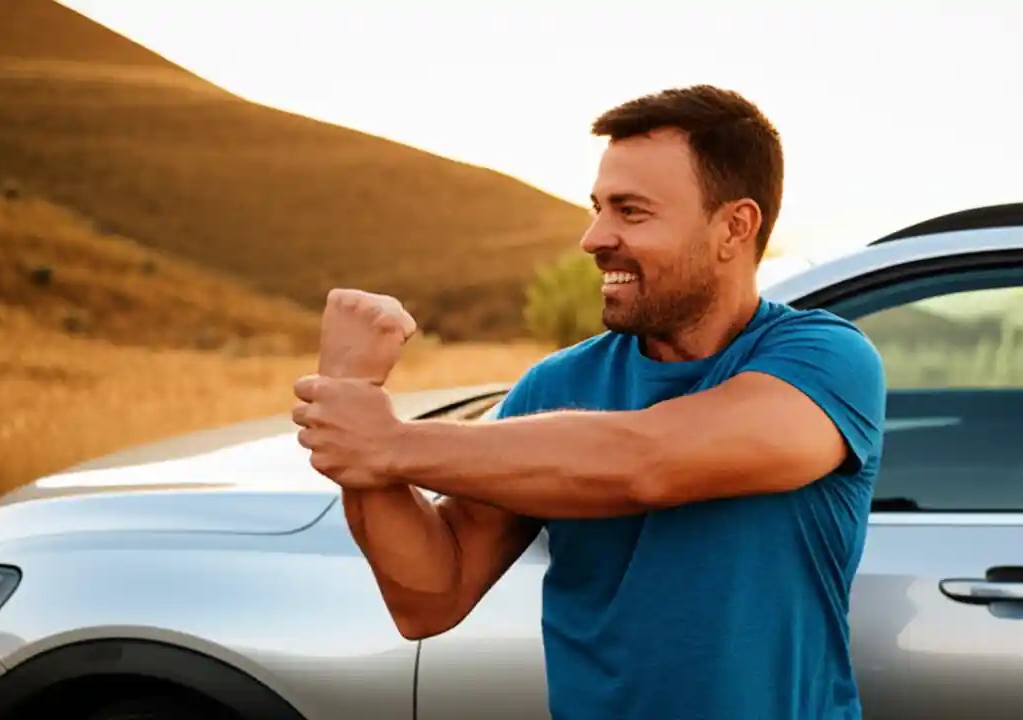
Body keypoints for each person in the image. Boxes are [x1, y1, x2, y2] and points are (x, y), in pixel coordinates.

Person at [291, 84, 886, 720]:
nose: (594, 237)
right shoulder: (556, 386)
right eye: (598, 208)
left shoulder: (824, 361)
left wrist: (389, 443)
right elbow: (430, 598)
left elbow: (650, 462)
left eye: (631, 212)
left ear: (734, 227)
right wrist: (351, 406)